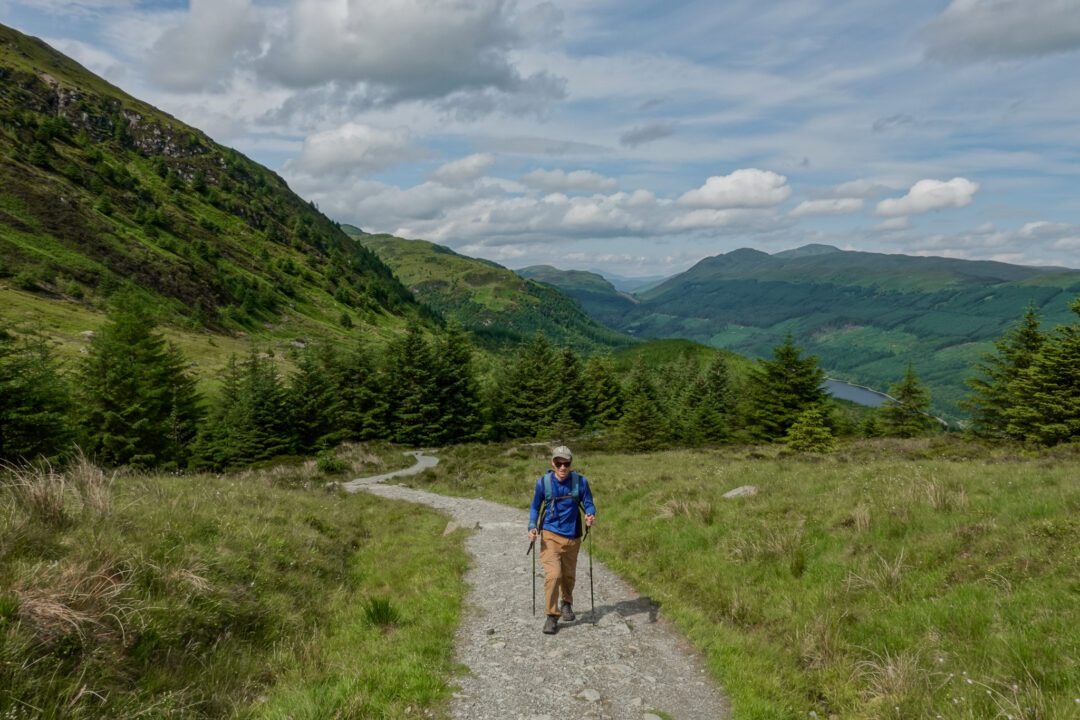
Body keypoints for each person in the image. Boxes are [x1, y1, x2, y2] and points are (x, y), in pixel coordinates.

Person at [527, 445, 596, 635]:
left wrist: (590, 514)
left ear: (571, 463)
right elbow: (535, 507)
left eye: (566, 463)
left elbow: (588, 502)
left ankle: (566, 603)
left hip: (573, 536)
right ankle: (551, 616)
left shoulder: (580, 482)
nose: (562, 467)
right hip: (550, 534)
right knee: (554, 575)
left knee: (568, 575)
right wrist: (532, 526)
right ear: (553, 463)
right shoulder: (544, 483)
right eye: (559, 463)